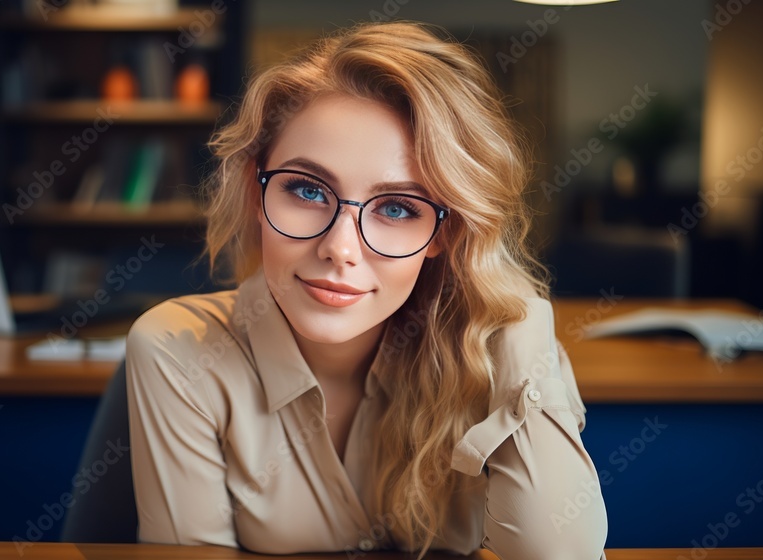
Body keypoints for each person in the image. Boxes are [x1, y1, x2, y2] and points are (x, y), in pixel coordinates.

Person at [125, 21, 608, 560]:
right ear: (254, 191)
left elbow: (559, 553)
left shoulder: (502, 351)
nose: (340, 248)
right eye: (307, 190)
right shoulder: (180, 349)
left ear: (446, 233)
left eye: (398, 208)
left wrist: (519, 315)